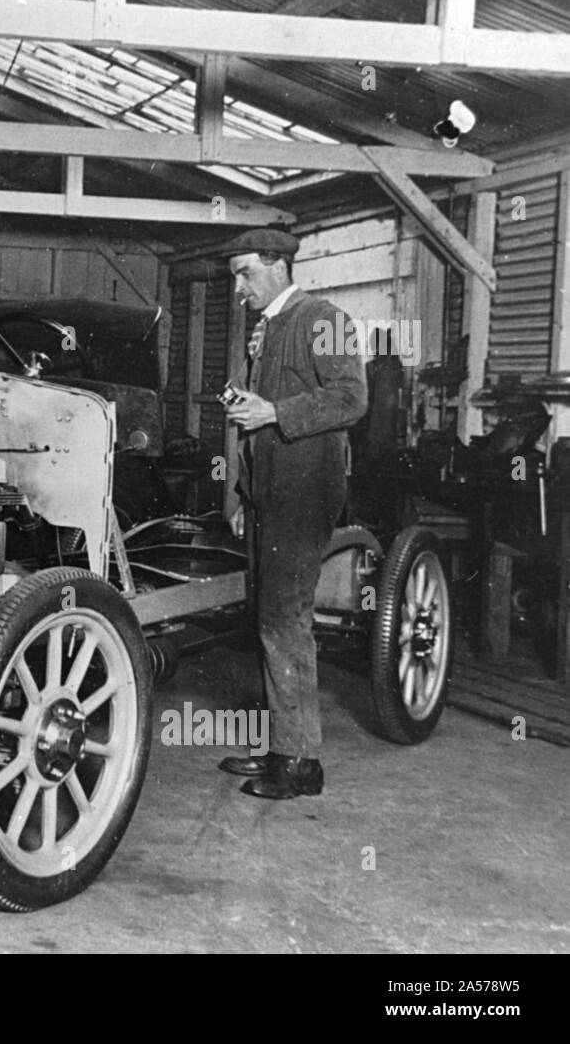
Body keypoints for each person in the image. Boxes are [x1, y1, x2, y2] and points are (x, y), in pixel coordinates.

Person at [215, 229, 367, 799]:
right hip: (269, 493)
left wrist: (276, 410)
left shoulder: (322, 318)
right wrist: (242, 492)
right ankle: (278, 744)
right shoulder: (268, 327)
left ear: (278, 266)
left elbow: (352, 397)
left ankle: (301, 763)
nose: (238, 286)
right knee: (268, 618)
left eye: (245, 272)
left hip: (304, 493)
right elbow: (252, 420)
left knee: (285, 620)